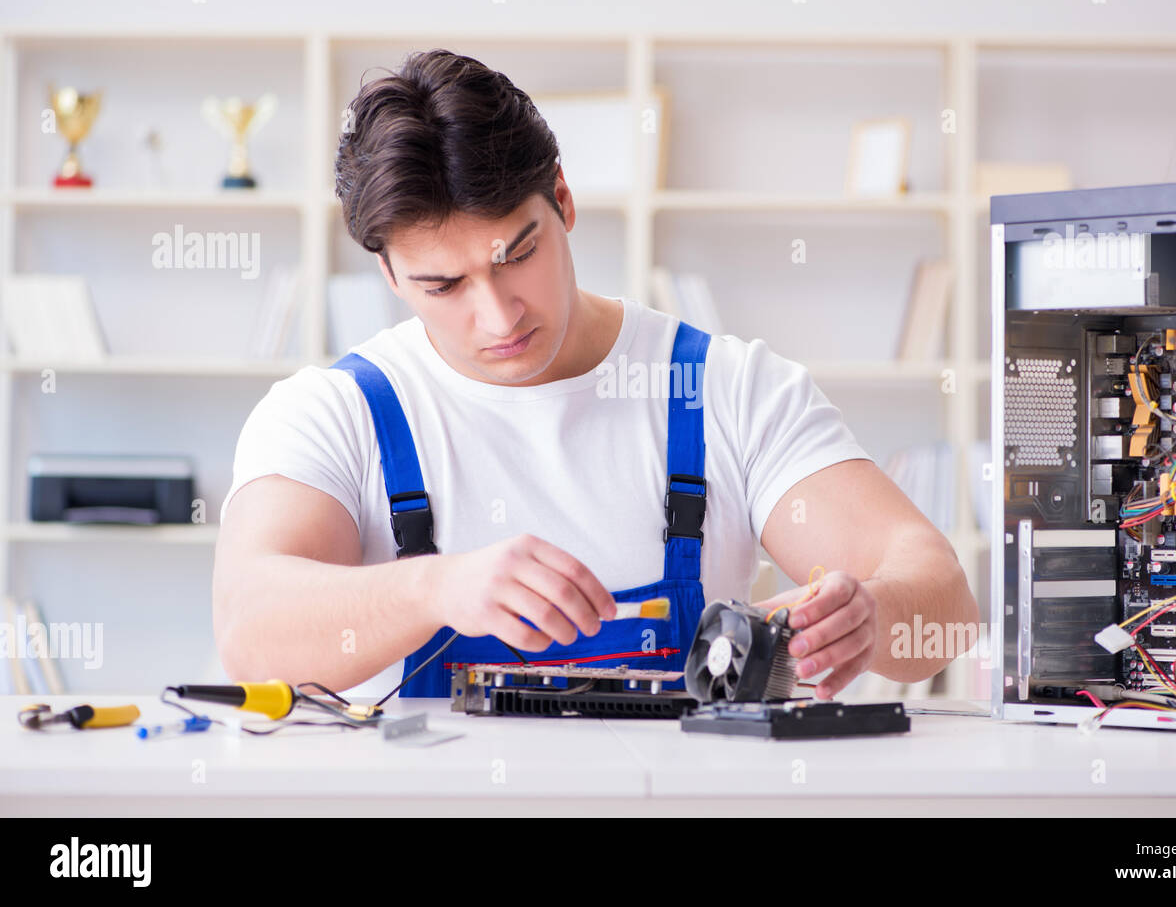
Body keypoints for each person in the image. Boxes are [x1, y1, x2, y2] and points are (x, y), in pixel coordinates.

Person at [213, 49, 978, 702]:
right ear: (388, 274)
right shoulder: (335, 413)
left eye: (517, 254)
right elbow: (248, 629)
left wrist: (872, 613)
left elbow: (945, 605)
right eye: (443, 286)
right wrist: (436, 588)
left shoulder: (727, 389)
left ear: (564, 201)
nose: (498, 315)